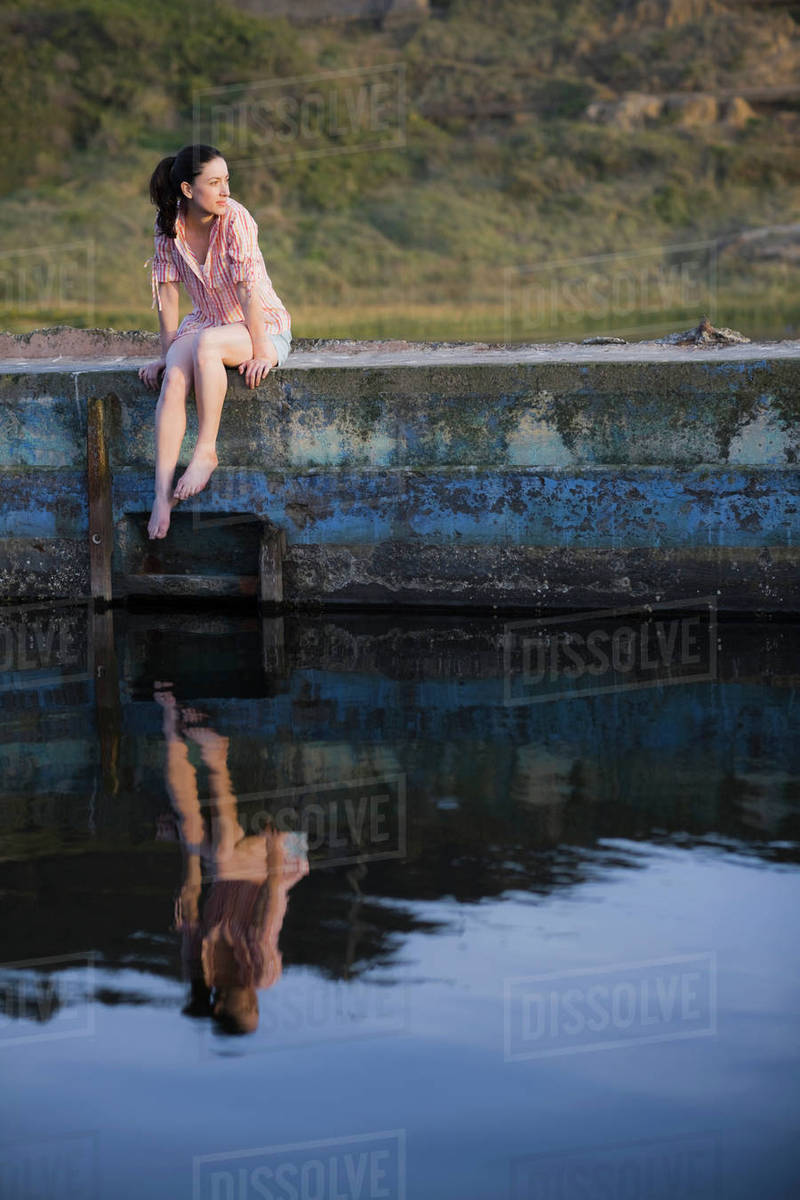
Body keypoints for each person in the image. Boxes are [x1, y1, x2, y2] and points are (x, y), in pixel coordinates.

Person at [138, 144, 292, 540]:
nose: (225, 191)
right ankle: (161, 495)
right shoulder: (169, 226)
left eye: (227, 181)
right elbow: (168, 295)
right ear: (189, 190)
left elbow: (247, 292)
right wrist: (167, 353)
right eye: (215, 183)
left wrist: (262, 350)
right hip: (207, 323)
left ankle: (206, 451)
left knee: (208, 345)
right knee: (173, 377)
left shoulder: (236, 218)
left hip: (261, 324)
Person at [154, 686, 309, 1036]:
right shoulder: (262, 974)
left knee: (191, 825)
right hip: (286, 864)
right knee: (222, 857)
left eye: (247, 1009)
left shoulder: (200, 969)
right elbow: (269, 905)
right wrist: (274, 850)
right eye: (256, 1009)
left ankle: (170, 725)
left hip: (229, 863)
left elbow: (190, 892)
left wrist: (185, 839)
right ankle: (215, 753)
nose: (255, 1003)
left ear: (220, 1006)